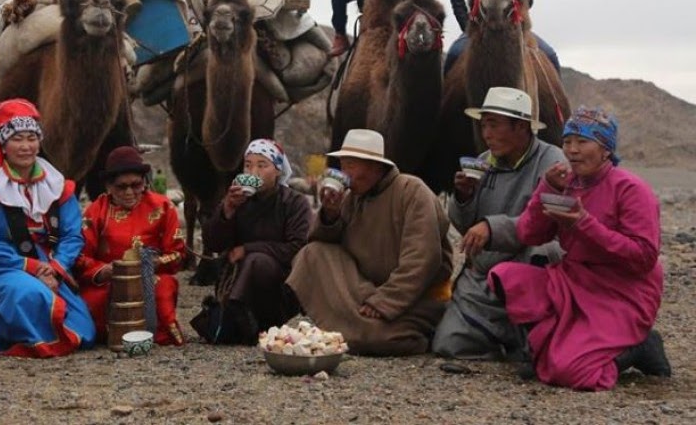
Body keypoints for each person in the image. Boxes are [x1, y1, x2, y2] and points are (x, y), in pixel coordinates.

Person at [489, 107, 671, 391]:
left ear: (606, 149)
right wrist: (546, 188)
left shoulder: (632, 190)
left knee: (572, 373)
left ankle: (639, 347)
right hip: (575, 280)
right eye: (567, 142)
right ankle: (542, 349)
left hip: (623, 291)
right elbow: (528, 233)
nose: (572, 150)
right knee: (507, 278)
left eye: (582, 142)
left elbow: (644, 258)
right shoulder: (566, 184)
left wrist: (584, 223)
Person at [286, 129, 452, 355]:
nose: (345, 173)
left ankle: (375, 331)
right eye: (342, 166)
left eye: (351, 166)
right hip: (364, 292)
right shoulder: (352, 197)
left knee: (373, 339)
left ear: (375, 166)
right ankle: (357, 326)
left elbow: (423, 259)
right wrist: (330, 214)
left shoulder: (411, 191)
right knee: (311, 254)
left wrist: (385, 301)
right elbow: (325, 245)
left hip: (413, 299)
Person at [432, 87, 566, 361]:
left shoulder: (551, 162)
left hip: (528, 268)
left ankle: (526, 334)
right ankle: (507, 338)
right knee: (449, 344)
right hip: (484, 277)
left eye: (494, 125)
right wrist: (464, 197)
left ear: (521, 127)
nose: (486, 135)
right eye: (484, 126)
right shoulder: (483, 163)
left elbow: (549, 222)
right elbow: (465, 227)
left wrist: (493, 228)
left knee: (545, 252)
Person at [0, 99, 95, 357]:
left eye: (31, 138)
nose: (26, 146)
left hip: (52, 267)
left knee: (85, 330)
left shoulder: (58, 185)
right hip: (5, 268)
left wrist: (56, 268)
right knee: (29, 294)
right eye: (17, 139)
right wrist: (34, 268)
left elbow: (72, 235)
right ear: (2, 144)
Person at [200, 139, 312, 344]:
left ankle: (234, 311)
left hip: (278, 287)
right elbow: (213, 244)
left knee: (257, 261)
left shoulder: (295, 203)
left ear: (278, 170)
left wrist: (248, 249)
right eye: (248, 165)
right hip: (234, 278)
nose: (254, 172)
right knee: (252, 261)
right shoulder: (237, 200)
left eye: (262, 165)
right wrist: (227, 210)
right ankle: (237, 317)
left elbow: (298, 247)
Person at [75, 146, 186, 346]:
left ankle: (156, 334)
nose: (129, 192)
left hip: (150, 274)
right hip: (110, 278)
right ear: (108, 186)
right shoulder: (95, 212)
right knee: (93, 302)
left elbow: (177, 253)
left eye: (136, 185)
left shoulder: (163, 207)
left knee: (162, 288)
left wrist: (147, 264)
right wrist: (104, 271)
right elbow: (81, 257)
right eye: (121, 187)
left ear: (145, 182)